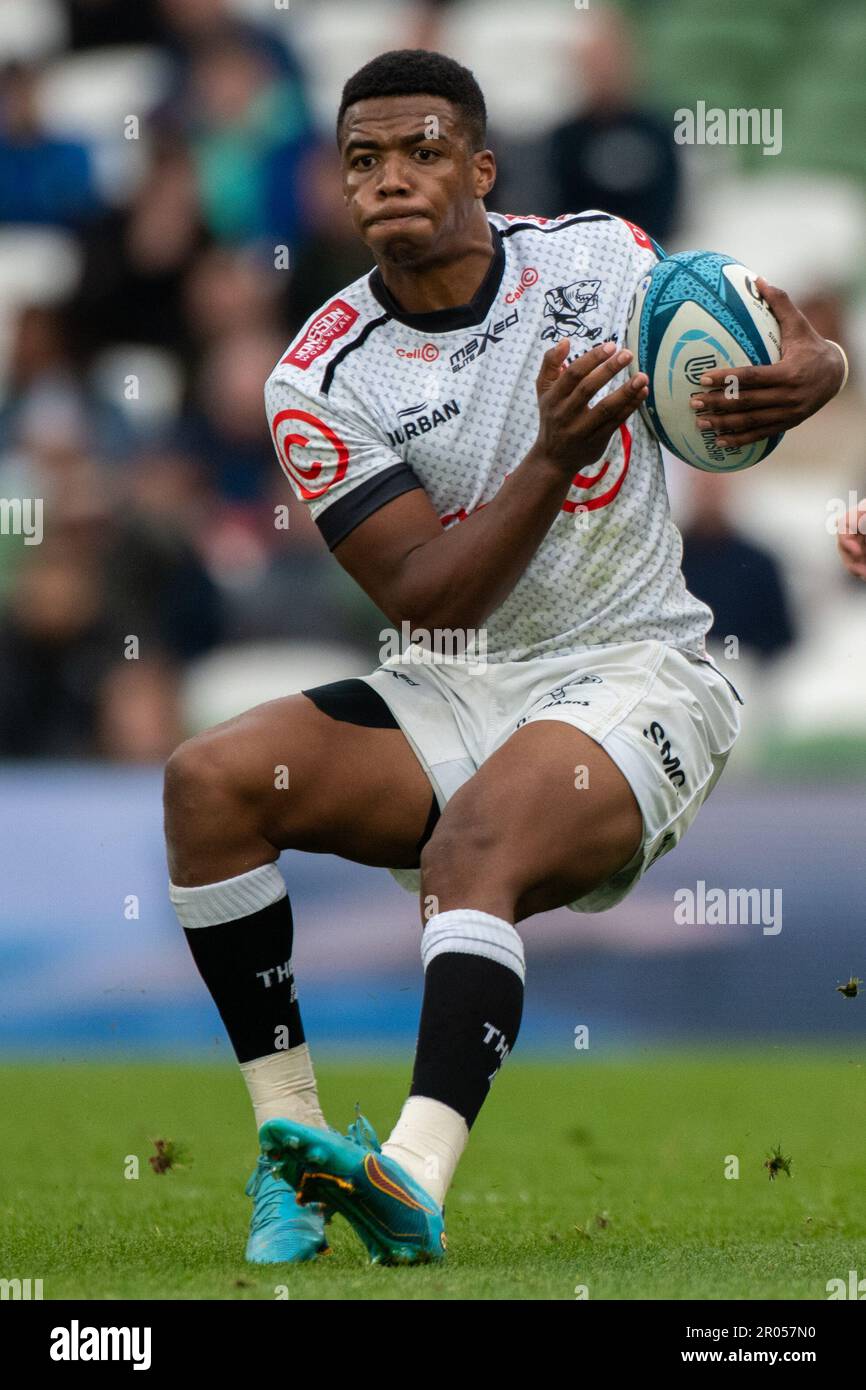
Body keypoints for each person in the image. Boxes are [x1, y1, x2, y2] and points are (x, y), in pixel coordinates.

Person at [163, 50, 847, 1267]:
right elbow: (436, 597)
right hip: (456, 676)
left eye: (422, 151)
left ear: (481, 168)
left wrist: (815, 374)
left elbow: (772, 350)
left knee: (467, 843)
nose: (390, 179)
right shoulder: (317, 374)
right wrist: (546, 453)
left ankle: (412, 1179)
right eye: (362, 160)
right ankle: (292, 1152)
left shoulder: (598, 260)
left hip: (638, 669)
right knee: (208, 782)